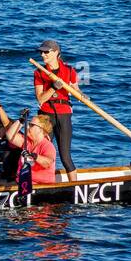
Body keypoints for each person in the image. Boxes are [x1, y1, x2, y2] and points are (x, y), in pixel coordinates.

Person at [33, 40, 78, 180]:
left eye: (46, 52)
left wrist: (83, 96)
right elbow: (40, 99)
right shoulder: (39, 72)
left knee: (65, 157)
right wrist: (53, 87)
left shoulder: (70, 71)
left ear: (56, 52)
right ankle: (36, 181)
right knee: (40, 151)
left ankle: (75, 187)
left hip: (64, 115)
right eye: (41, 52)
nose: (42, 55)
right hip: (45, 116)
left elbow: (76, 91)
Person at [4, 112, 58, 186]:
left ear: (41, 129)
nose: (27, 127)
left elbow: (48, 163)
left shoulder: (47, 146)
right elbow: (10, 136)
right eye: (28, 124)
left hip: (40, 184)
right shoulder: (27, 141)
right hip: (22, 182)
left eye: (31, 125)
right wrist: (21, 120)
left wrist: (34, 156)